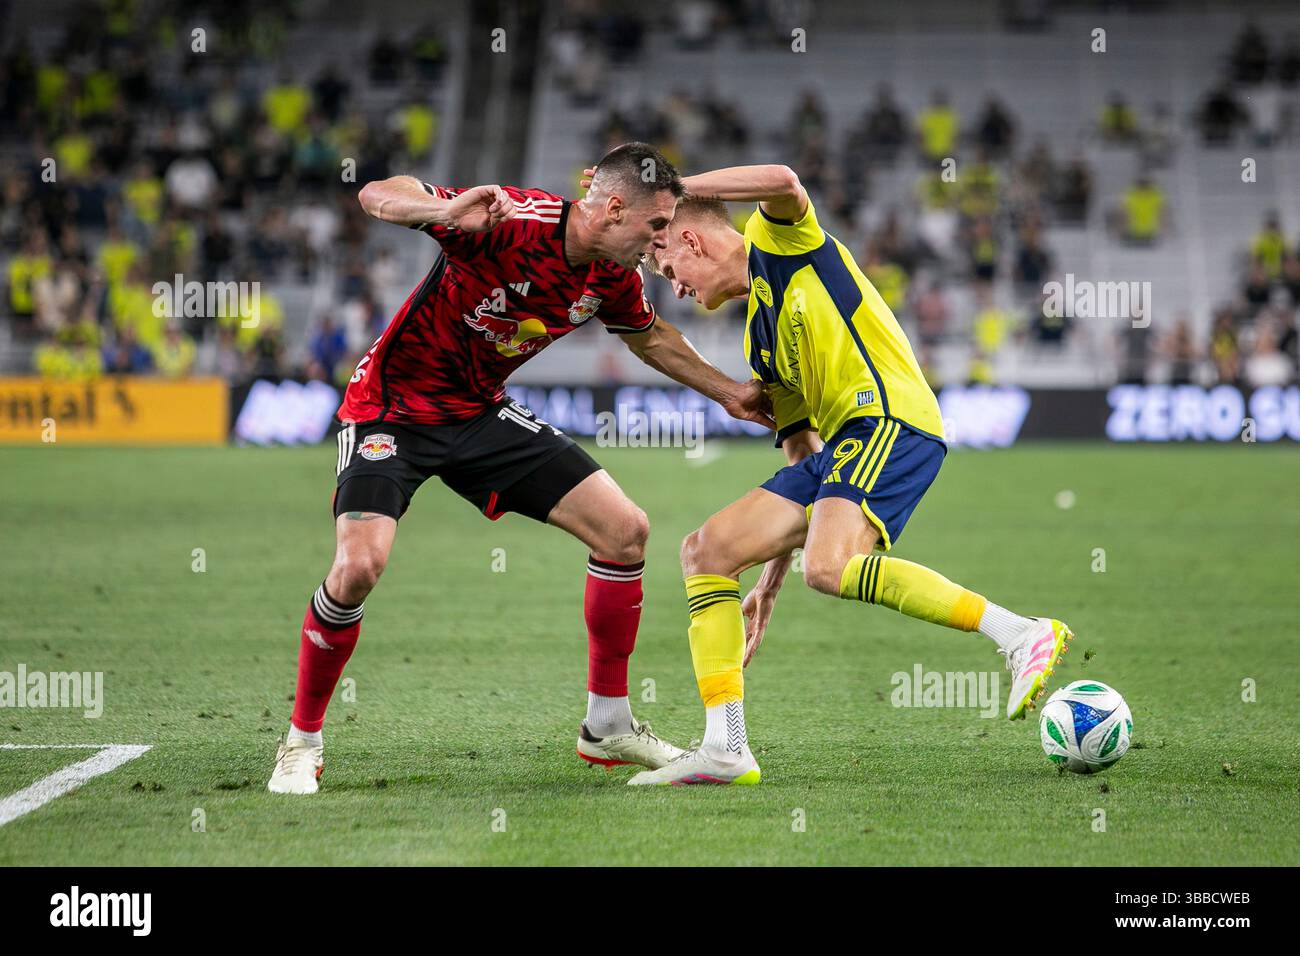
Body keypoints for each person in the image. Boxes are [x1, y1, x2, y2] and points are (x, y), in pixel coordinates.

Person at [268, 143, 774, 794]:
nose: (659, 243)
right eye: (654, 227)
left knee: (625, 530)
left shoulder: (614, 278)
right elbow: (373, 193)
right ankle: (301, 742)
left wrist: (730, 393)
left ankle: (607, 723)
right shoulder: (510, 221)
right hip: (392, 410)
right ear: (614, 209)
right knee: (359, 566)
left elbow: (652, 340)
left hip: (478, 414)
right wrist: (442, 208)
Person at [626, 164, 1073, 785]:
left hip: (891, 417)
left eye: (670, 271)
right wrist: (769, 583)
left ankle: (1020, 634)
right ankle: (725, 747)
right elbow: (802, 458)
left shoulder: (778, 242)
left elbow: (783, 179)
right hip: (843, 446)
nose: (673, 288)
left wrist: (670, 191)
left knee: (831, 567)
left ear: (692, 241)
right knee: (709, 551)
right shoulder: (761, 341)